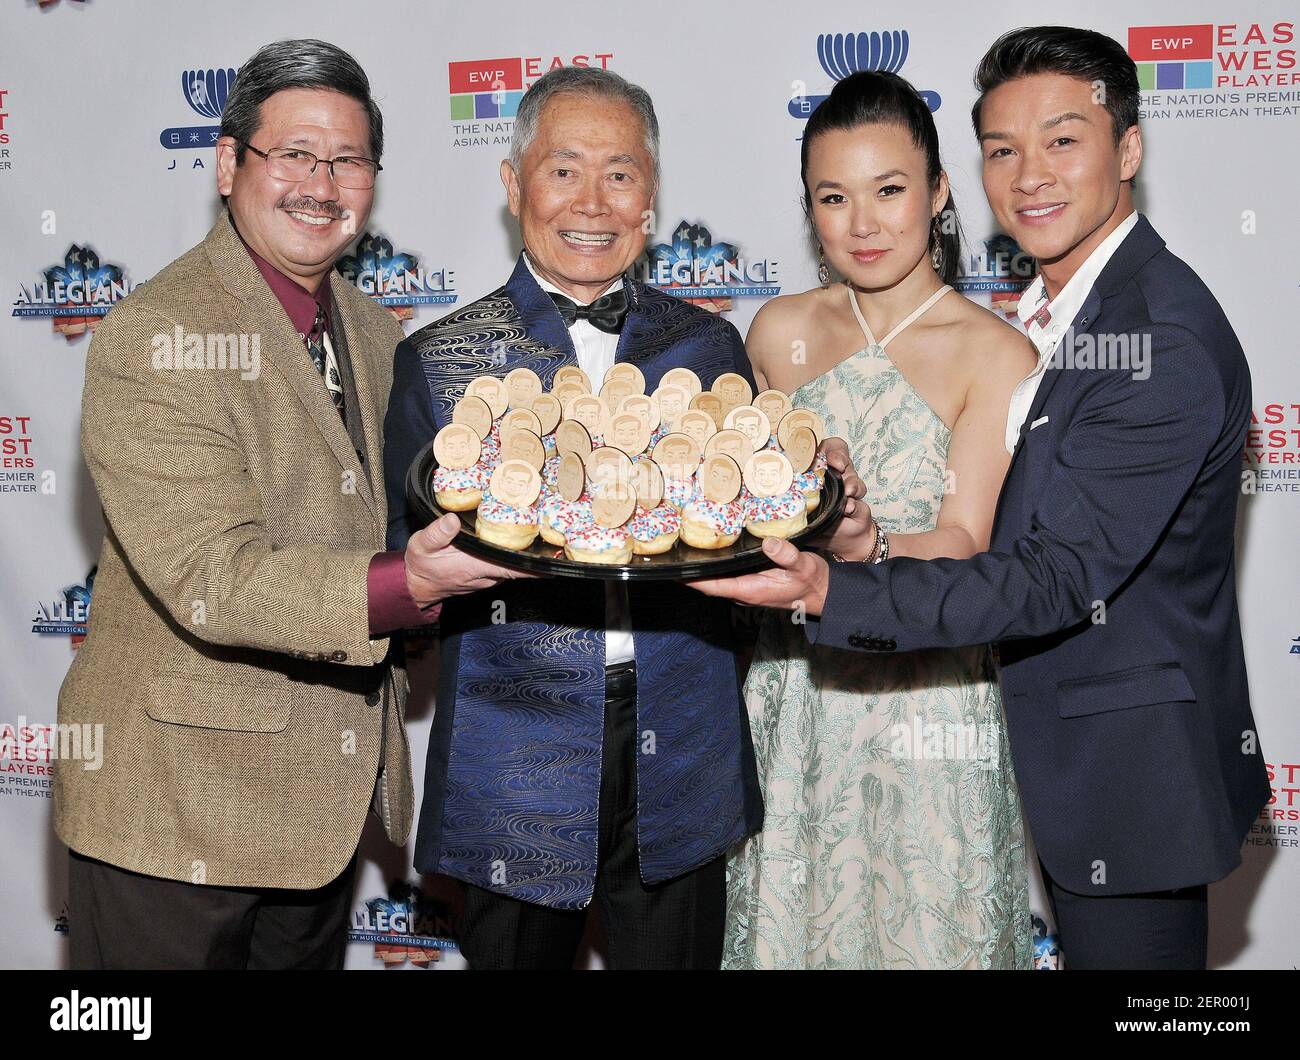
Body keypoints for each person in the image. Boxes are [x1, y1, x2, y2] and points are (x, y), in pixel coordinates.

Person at [690, 26, 1271, 970]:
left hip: (1115, 772)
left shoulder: (1153, 338)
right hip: (912, 718)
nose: (1030, 174)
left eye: (1063, 140)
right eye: (1004, 148)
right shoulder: (1067, 317)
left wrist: (842, 577)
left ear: (1129, 149)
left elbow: (1046, 573)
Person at [54, 39, 522, 970]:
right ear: (230, 164)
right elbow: (213, 580)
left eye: (348, 160)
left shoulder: (372, 331)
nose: (322, 182)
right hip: (170, 819)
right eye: (293, 155)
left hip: (316, 816)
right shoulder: (156, 334)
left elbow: (384, 512)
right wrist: (407, 585)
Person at [383, 66, 764, 970]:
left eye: (621, 173)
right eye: (564, 169)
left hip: (683, 738)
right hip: (513, 746)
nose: (593, 201)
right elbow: (405, 576)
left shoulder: (710, 348)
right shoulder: (439, 361)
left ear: (652, 194)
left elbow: (750, 539)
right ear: (514, 184)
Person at [721, 70, 1036, 969]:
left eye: (890, 190)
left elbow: (969, 541)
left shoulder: (996, 350)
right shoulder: (774, 332)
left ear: (938, 192)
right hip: (795, 693)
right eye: (833, 197)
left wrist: (868, 545)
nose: (862, 224)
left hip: (930, 701)